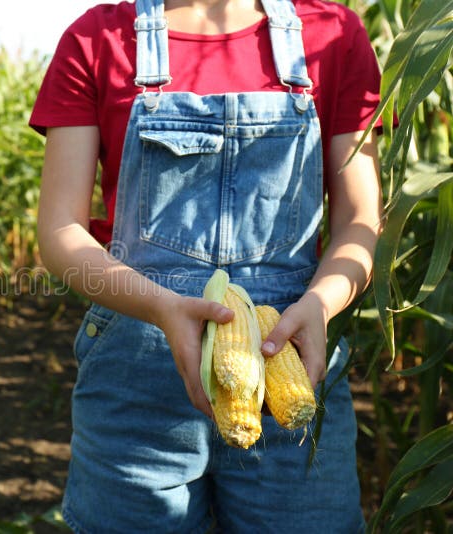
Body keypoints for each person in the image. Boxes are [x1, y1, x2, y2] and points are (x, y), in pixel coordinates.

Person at [31, 0, 382, 531]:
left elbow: (360, 220)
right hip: (139, 373)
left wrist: (319, 303)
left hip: (288, 355)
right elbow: (60, 233)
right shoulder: (97, 38)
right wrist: (162, 306)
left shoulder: (333, 35)